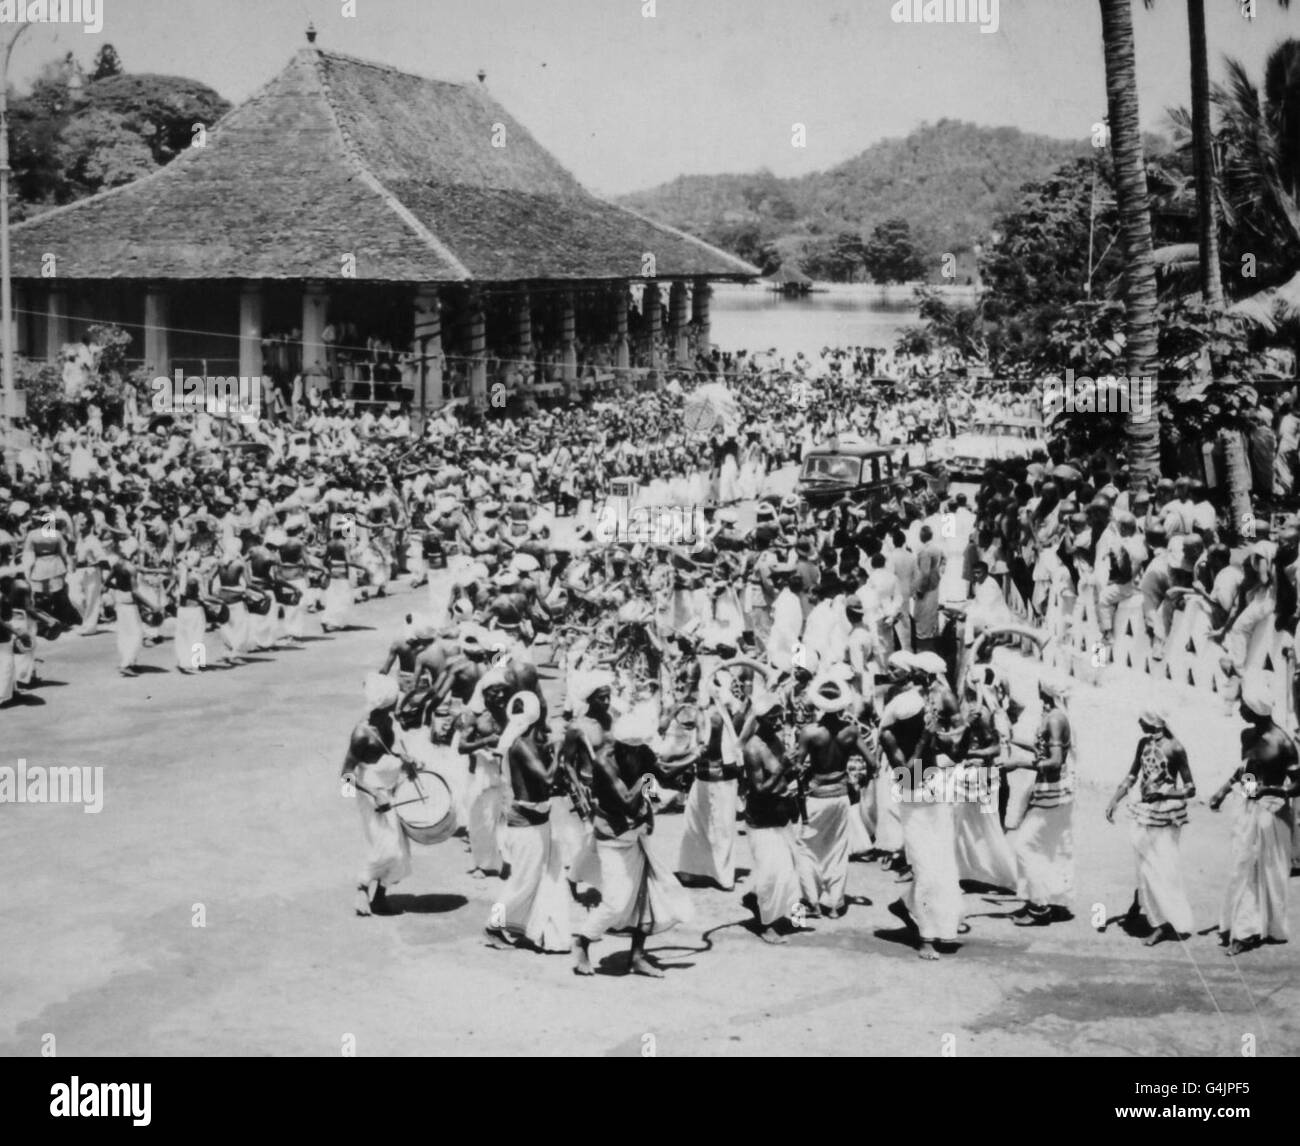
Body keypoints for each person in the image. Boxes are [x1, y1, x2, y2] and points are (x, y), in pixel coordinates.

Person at [566, 677, 693, 977]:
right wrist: (647, 782)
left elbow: (660, 773)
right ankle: (582, 940)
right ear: (622, 746)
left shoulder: (641, 752)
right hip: (612, 837)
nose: (638, 754)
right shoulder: (604, 762)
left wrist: (691, 761)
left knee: (645, 898)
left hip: (636, 834)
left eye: (641, 749)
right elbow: (625, 798)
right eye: (633, 750)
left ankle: (637, 956)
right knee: (615, 901)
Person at [1209, 676, 1300, 956]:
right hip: (1248, 809)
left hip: (1272, 814)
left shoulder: (1283, 743)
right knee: (1242, 866)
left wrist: (1270, 790)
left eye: (1244, 705)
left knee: (1267, 870)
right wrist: (1227, 789)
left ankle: (1249, 931)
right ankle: (1242, 924)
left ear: (1253, 709)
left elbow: (1298, 784)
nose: (1240, 709)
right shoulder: (1247, 736)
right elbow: (1247, 769)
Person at [486, 691, 572, 953]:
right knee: (521, 882)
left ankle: (537, 930)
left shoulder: (530, 742)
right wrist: (559, 752)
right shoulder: (521, 745)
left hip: (539, 821)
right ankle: (493, 925)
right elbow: (546, 779)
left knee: (542, 879)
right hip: (525, 824)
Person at [1105, 711, 1196, 946]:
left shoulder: (1176, 748)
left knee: (1163, 868)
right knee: (1145, 866)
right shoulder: (1143, 744)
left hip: (1165, 815)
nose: (1139, 722)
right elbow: (1132, 775)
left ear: (1156, 720)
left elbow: (1190, 788)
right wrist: (1115, 799)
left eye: (1144, 718)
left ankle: (1164, 924)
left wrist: (1164, 792)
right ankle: (1151, 912)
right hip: (1144, 812)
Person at [742, 691, 820, 943]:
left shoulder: (775, 739)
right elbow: (759, 789)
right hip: (762, 820)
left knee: (786, 871)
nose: (778, 721)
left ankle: (774, 910)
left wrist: (796, 769)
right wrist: (784, 768)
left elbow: (786, 775)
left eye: (779, 715)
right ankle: (767, 926)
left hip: (781, 815)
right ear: (761, 719)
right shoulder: (753, 748)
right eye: (772, 717)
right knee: (771, 874)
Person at [341, 673, 419, 917]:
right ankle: (362, 886)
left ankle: (380, 895)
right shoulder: (362, 734)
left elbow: (389, 753)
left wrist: (404, 760)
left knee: (400, 849)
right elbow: (344, 777)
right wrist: (373, 792)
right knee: (386, 847)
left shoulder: (389, 724)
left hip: (392, 790)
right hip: (373, 796)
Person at [1006, 673, 1075, 926]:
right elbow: (1042, 749)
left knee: (1024, 845)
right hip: (1051, 790)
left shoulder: (1055, 718)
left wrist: (1019, 763)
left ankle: (1039, 907)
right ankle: (1050, 901)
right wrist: (1012, 739)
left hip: (1053, 791)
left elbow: (1055, 761)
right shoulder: (1053, 715)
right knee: (1049, 848)